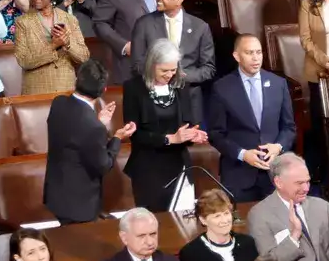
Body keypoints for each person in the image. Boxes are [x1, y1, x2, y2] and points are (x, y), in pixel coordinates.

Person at [43, 60, 135, 223]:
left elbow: (75, 137)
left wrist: (99, 123)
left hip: (56, 196)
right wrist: (117, 138)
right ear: (103, 90)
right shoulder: (92, 126)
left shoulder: (58, 103)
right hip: (79, 205)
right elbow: (103, 165)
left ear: (77, 80)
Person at [122, 40, 208, 211]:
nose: (170, 75)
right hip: (148, 168)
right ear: (152, 65)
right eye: (164, 70)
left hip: (178, 164)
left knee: (183, 222)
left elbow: (187, 124)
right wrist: (169, 139)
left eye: (173, 69)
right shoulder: (134, 88)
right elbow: (134, 133)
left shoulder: (181, 85)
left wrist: (192, 135)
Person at [212, 34, 298, 203]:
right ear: (237, 56)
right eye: (249, 53)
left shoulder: (278, 84)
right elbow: (216, 134)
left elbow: (289, 127)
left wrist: (278, 146)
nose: (255, 58)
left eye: (259, 52)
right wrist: (243, 154)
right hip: (239, 174)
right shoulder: (221, 88)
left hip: (275, 173)